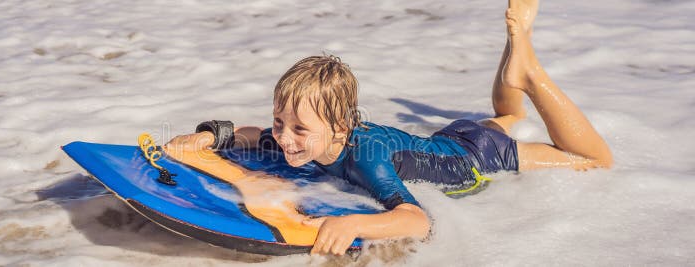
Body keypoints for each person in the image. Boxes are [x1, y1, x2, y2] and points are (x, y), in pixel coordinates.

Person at [165, 0, 612, 256]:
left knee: (594, 161)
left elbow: (417, 221)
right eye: (282, 121)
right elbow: (251, 134)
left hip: (478, 158)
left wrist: (358, 223)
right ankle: (517, 63)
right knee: (506, 112)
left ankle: (531, 74)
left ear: (340, 126)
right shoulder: (310, 138)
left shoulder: (365, 159)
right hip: (449, 138)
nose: (283, 137)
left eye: (299, 129)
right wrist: (209, 136)